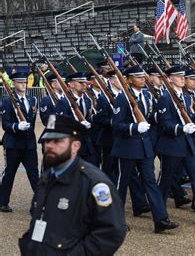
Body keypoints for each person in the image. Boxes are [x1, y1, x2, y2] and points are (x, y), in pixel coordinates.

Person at [19, 114, 127, 255]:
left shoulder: (94, 183)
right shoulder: (47, 177)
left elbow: (112, 232)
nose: (49, 146)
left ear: (75, 146)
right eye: (46, 141)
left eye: (57, 141)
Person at [111, 65, 178, 233]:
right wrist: (134, 127)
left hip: (144, 146)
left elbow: (151, 115)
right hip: (127, 147)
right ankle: (115, 221)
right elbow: (116, 125)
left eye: (143, 76)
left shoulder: (147, 95)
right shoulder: (122, 98)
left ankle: (161, 219)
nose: (142, 79)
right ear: (128, 79)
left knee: (150, 183)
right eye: (137, 76)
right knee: (121, 185)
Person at [155, 65, 195, 224]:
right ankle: (160, 217)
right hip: (172, 145)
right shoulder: (164, 97)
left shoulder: (186, 96)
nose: (183, 79)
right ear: (170, 79)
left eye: (183, 76)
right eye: (178, 77)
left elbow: (189, 115)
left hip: (187, 144)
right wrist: (180, 128)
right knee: (166, 181)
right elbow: (165, 124)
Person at [0, 72, 39, 213]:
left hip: (29, 144)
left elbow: (33, 120)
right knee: (9, 173)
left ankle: (40, 202)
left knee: (34, 174)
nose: (24, 84)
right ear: (14, 84)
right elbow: (5, 124)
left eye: (25, 82)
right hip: (13, 144)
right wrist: (17, 126)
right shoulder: (6, 101)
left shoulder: (33, 99)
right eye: (20, 82)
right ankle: (3, 202)